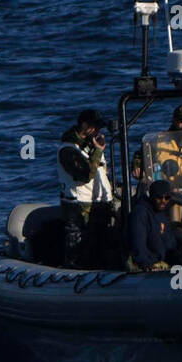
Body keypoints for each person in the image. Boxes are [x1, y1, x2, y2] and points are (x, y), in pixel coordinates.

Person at [58, 109, 117, 268]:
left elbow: (102, 172)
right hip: (79, 205)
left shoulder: (93, 145)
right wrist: (97, 151)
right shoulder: (68, 149)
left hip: (101, 202)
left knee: (102, 245)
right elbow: (85, 174)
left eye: (99, 128)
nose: (97, 131)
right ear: (84, 125)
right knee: (77, 249)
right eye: (94, 127)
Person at [126, 180, 182, 270]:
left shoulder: (162, 214)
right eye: (159, 197)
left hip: (164, 264)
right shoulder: (140, 214)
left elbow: (169, 243)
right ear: (152, 196)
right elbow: (138, 244)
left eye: (167, 198)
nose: (163, 201)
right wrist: (146, 265)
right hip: (148, 268)